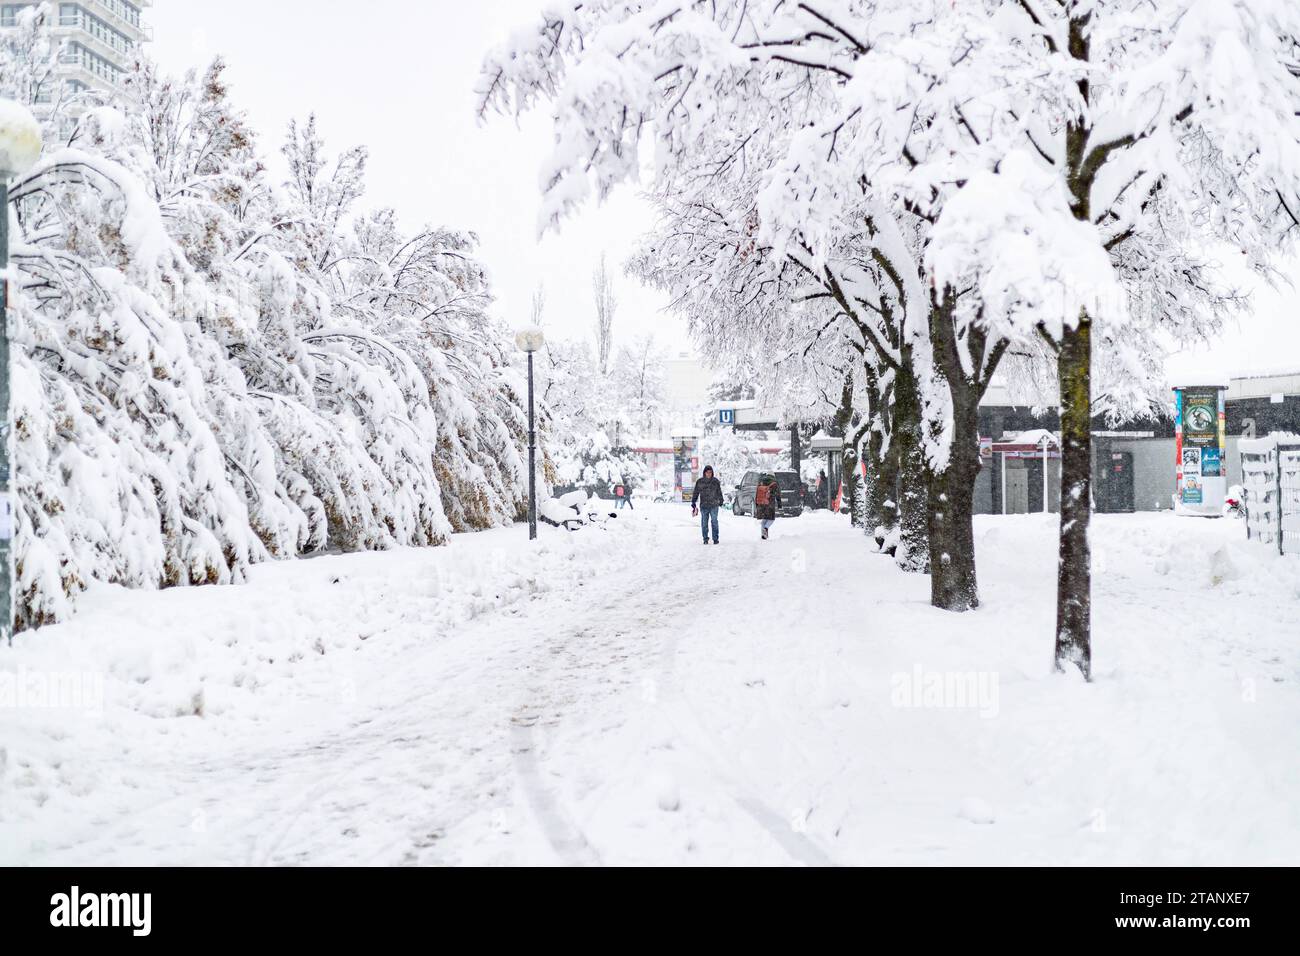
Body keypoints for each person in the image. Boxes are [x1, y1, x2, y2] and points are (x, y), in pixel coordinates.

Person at [690, 465, 724, 545]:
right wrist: (693, 502)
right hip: (704, 506)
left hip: (714, 505)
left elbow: (719, 492)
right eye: (707, 472)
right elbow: (696, 493)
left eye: (710, 472)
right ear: (704, 473)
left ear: (712, 473)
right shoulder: (700, 482)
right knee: (704, 523)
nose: (709, 474)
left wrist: (721, 500)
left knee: (714, 521)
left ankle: (715, 538)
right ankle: (705, 538)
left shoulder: (715, 481)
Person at [754, 472, 781, 540]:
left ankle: (763, 536)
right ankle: (766, 528)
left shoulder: (761, 481)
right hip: (769, 503)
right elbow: (778, 494)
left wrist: (756, 503)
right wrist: (779, 503)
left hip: (761, 503)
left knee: (764, 519)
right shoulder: (774, 482)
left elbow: (757, 493)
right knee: (771, 519)